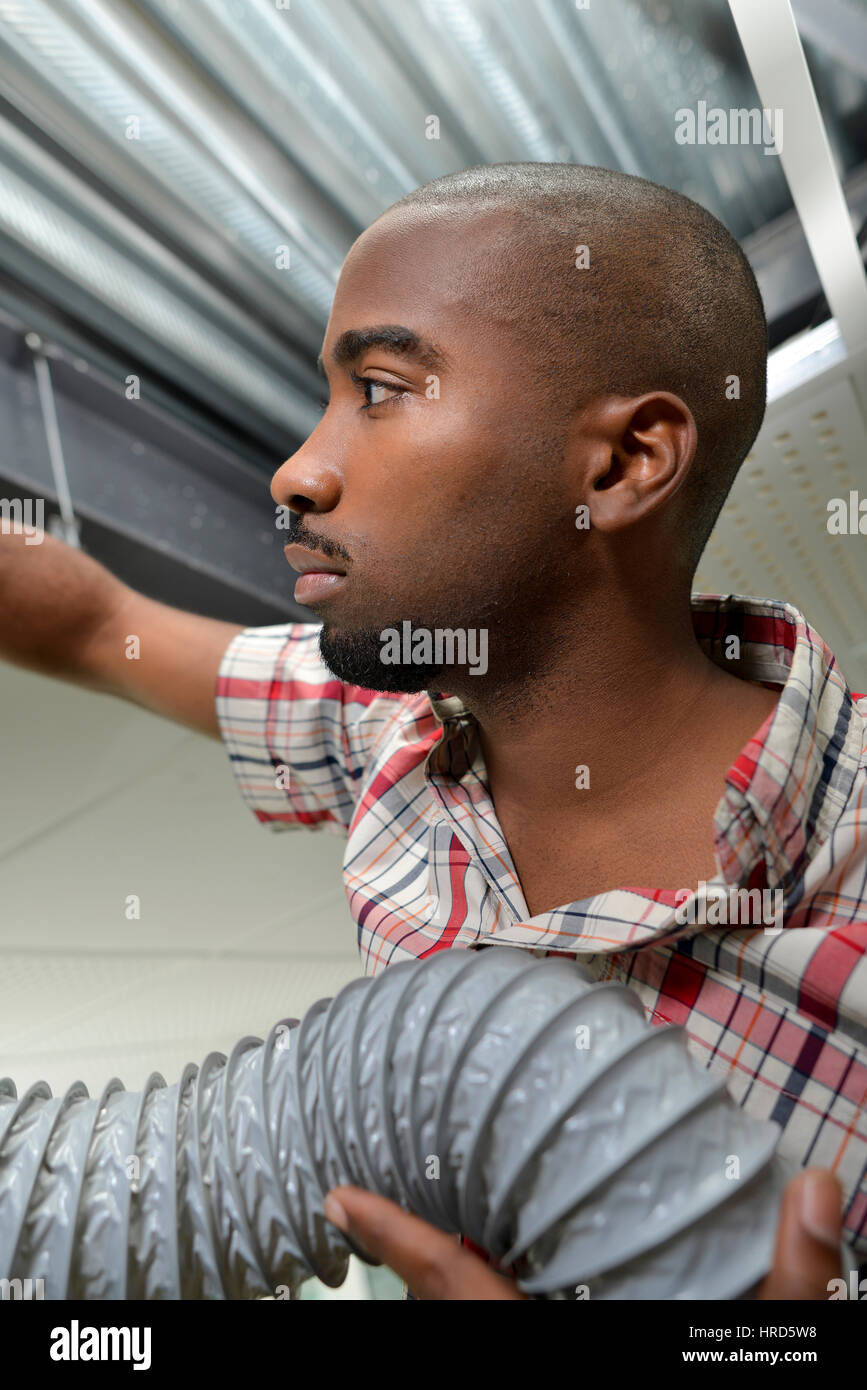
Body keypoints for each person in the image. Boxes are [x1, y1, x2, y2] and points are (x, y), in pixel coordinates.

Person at [1, 164, 863, 1300]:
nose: (296, 469)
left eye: (382, 386)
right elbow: (92, 621)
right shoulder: (392, 731)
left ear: (621, 463)